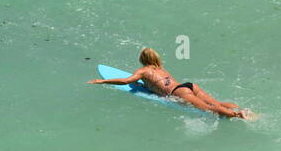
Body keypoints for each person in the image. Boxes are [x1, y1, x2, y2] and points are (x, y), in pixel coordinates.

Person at [89, 47, 254, 119]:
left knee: (210, 109)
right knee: (216, 103)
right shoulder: (161, 68)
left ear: (142, 60)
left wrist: (102, 81)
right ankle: (239, 109)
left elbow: (126, 81)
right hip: (188, 86)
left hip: (178, 93)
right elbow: (158, 84)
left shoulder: (143, 71)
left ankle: (238, 115)